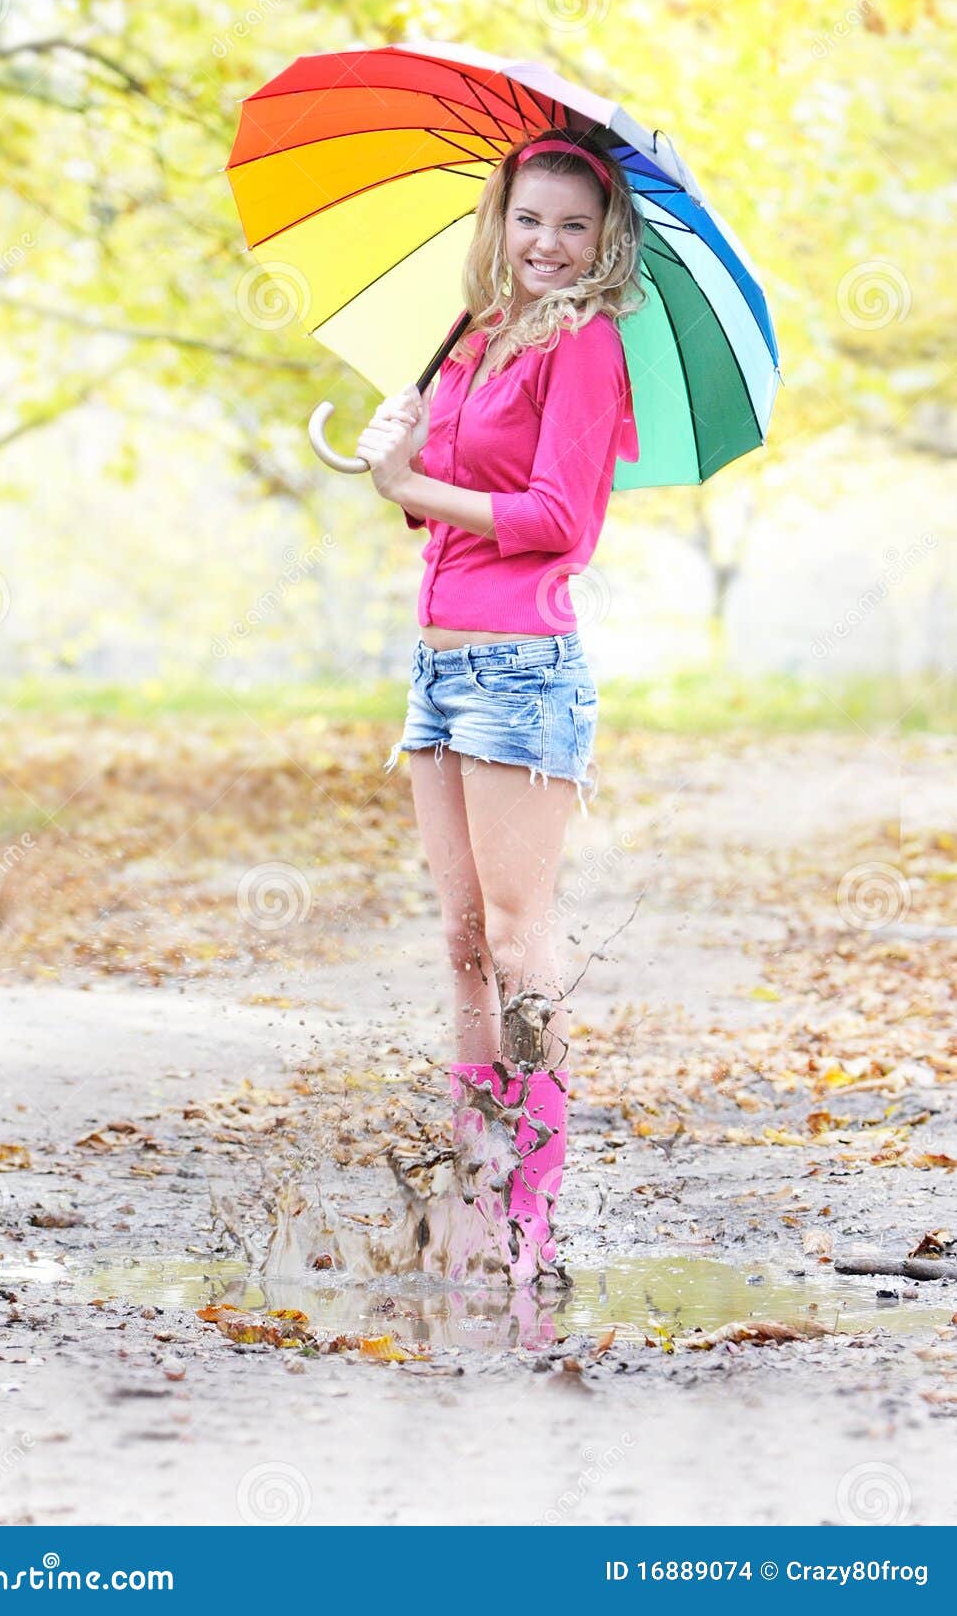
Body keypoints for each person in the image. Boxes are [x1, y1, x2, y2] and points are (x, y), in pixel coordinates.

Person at [354, 128, 645, 1285]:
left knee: (520, 942)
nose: (547, 243)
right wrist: (401, 457)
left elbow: (557, 522)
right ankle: (474, 1192)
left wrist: (414, 485)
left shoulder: (584, 344)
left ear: (603, 236)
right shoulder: (475, 336)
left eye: (573, 224)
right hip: (436, 671)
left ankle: (529, 1209)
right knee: (462, 944)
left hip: (519, 674)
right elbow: (447, 512)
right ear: (500, 219)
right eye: (529, 218)